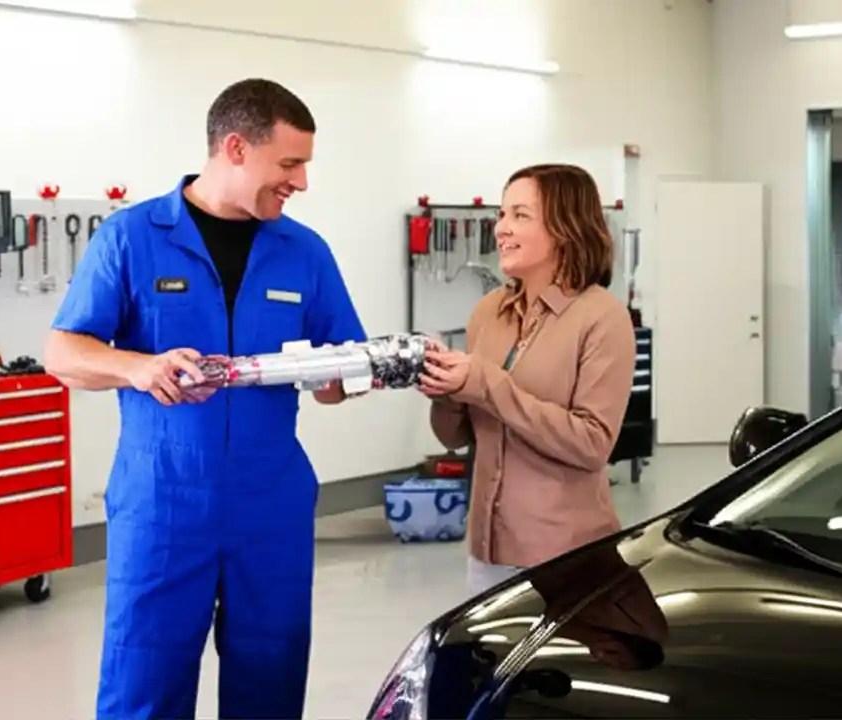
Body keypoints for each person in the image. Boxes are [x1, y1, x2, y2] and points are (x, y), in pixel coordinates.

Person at [42, 78, 367, 719]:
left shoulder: (304, 252)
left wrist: (350, 374)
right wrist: (138, 368)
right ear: (237, 148)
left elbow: (339, 376)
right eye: (290, 164)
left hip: (270, 501)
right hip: (163, 500)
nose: (300, 182)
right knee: (146, 683)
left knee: (270, 681)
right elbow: (64, 355)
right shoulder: (133, 236)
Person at [418, 163, 637, 595]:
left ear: (566, 227)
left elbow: (592, 444)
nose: (501, 228)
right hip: (487, 550)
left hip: (566, 553)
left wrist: (485, 383)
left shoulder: (603, 317)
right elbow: (455, 438)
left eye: (520, 215)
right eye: (501, 214)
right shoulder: (489, 311)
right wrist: (446, 391)